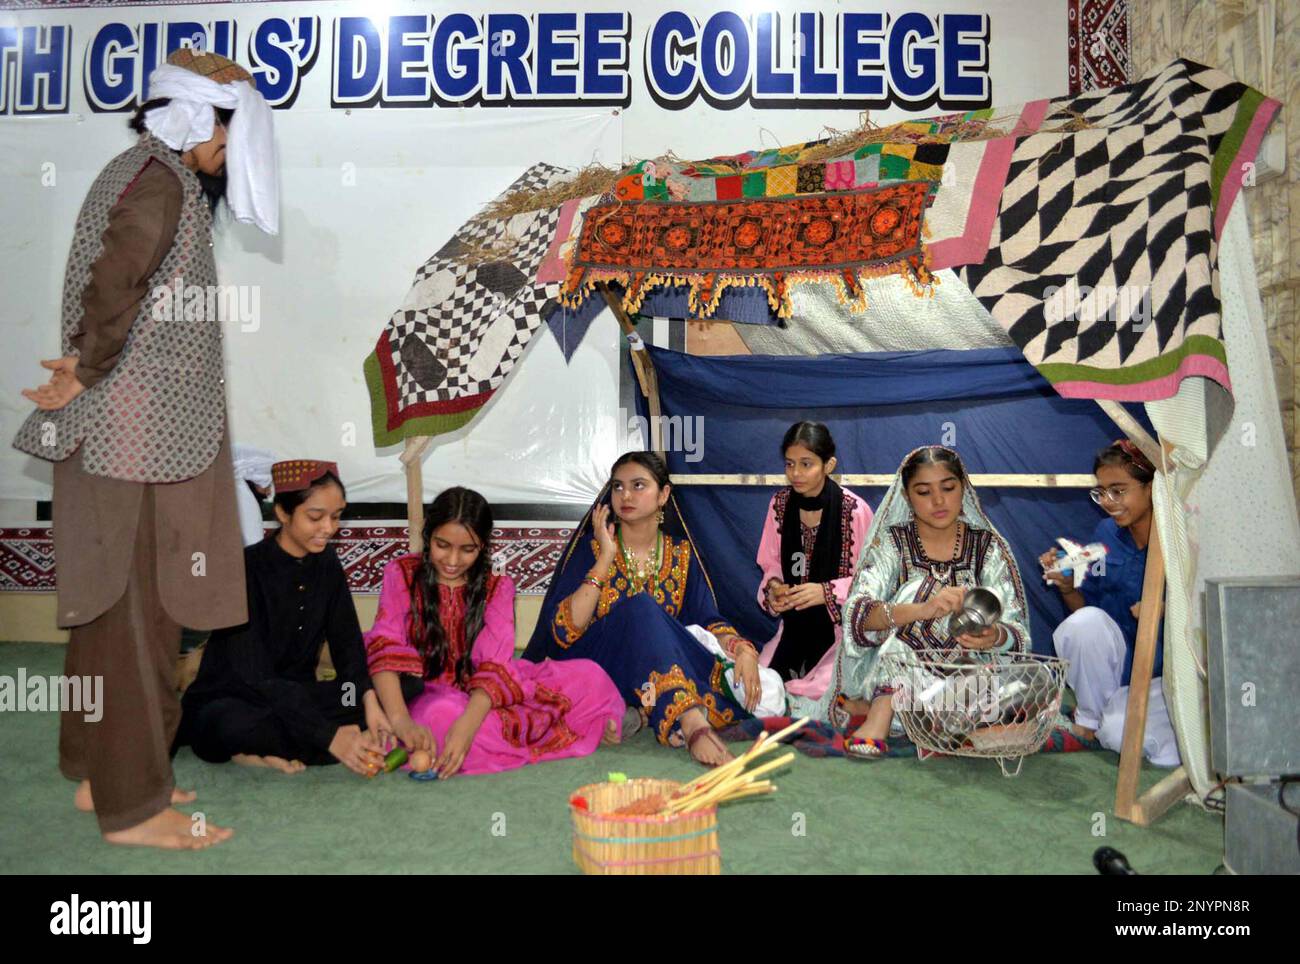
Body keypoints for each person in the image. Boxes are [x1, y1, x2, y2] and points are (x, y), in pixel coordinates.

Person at [12, 48, 278, 849]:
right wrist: (87, 367)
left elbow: (114, 287)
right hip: (135, 440)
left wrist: (84, 365)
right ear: (197, 121)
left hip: (135, 437)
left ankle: (104, 774)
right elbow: (113, 282)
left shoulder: (143, 171)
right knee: (136, 618)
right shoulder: (160, 182)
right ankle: (135, 807)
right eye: (226, 144)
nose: (228, 161)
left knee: (109, 612)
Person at [525, 452, 766, 767]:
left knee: (666, 631)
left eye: (638, 485)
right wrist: (605, 559)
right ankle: (691, 721)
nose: (625, 495)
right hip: (595, 667)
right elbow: (564, 632)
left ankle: (635, 709)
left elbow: (706, 620)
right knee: (641, 609)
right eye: (618, 487)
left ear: (663, 494)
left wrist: (742, 649)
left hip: (652, 673)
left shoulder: (682, 555)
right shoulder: (593, 550)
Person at [365, 487, 625, 778]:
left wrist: (467, 727)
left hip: (485, 697)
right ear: (428, 535)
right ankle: (569, 727)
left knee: (589, 677)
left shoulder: (498, 587)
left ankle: (467, 741)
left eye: (468, 550)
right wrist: (400, 721)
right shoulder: (400, 573)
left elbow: (496, 665)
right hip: (425, 698)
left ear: (484, 546)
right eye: (442, 545)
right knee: (440, 715)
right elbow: (385, 648)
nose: (452, 560)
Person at [792, 445, 1031, 759]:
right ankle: (882, 711)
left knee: (1017, 690)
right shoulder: (892, 543)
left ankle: (924, 718)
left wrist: (994, 635)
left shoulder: (987, 547)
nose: (938, 501)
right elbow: (858, 617)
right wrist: (924, 608)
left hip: (970, 675)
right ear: (906, 496)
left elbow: (1017, 633)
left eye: (948, 488)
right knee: (917, 589)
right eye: (923, 491)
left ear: (964, 488)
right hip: (897, 668)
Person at [178, 461, 391, 777]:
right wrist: (327, 735)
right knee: (225, 725)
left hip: (299, 697)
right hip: (238, 698)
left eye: (336, 516)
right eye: (316, 517)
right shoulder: (246, 570)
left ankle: (284, 746)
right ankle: (322, 743)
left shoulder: (328, 565)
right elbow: (257, 678)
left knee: (394, 691)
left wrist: (369, 701)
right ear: (282, 513)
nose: (329, 528)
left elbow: (348, 646)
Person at [1040, 440, 1180, 766]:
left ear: (1153, 487)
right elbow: (1087, 613)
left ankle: (1113, 721)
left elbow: (1211, 621)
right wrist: (1066, 585)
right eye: (1101, 492)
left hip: (1170, 677)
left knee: (1121, 735)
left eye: (1118, 491)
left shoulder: (1181, 538)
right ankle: (1089, 721)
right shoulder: (1106, 532)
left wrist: (1165, 610)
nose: (1107, 502)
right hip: (1119, 674)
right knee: (1083, 624)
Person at [755, 422, 873, 700]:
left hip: (841, 633)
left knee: (820, 692)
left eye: (806, 464)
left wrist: (826, 592)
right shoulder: (779, 505)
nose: (795, 473)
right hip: (794, 628)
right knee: (759, 687)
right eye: (789, 464)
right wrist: (774, 589)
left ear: (828, 465)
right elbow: (770, 564)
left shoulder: (854, 510)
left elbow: (872, 581)